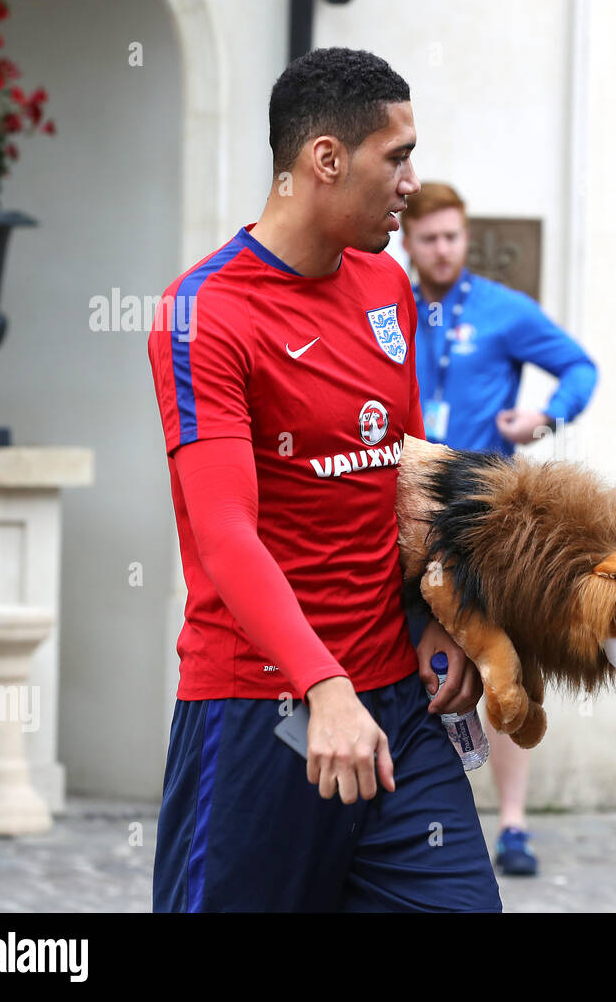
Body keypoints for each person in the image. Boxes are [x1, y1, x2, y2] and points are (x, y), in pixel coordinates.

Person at [146, 47, 501, 912]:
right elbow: (226, 536)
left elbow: (410, 476)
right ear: (326, 160)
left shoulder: (385, 281)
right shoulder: (204, 315)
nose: (413, 182)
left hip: (396, 705)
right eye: (398, 156)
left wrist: (432, 618)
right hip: (263, 708)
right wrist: (323, 686)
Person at [400, 182, 598, 875]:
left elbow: (580, 365)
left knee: (503, 664)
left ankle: (513, 825)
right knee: (409, 663)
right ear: (410, 242)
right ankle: (415, 820)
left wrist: (542, 418)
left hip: (483, 514)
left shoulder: (503, 310)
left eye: (453, 237)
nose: (443, 249)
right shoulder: (389, 307)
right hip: (403, 509)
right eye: (429, 239)